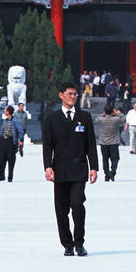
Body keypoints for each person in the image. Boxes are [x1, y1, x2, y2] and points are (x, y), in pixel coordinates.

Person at [41, 82, 99, 256]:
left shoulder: (84, 117)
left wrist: (94, 167)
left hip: (79, 169)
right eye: (70, 94)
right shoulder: (52, 119)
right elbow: (47, 146)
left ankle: (79, 243)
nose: (73, 97)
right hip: (60, 170)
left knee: (77, 204)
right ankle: (67, 244)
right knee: (61, 209)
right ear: (61, 95)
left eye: (75, 94)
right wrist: (48, 166)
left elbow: (91, 144)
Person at [95, 104, 125, 180]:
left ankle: (106, 174)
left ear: (105, 111)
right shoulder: (116, 119)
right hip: (114, 142)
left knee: (105, 159)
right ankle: (112, 172)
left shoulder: (102, 119)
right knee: (115, 159)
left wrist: (104, 113)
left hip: (103, 142)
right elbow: (123, 119)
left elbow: (96, 120)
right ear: (112, 111)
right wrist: (117, 113)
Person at [0, 104, 23, 181]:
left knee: (11, 159)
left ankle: (10, 176)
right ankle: (1, 176)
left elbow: (20, 131)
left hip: (11, 141)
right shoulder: (5, 120)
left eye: (5, 110)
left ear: (8, 111)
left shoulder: (15, 121)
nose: (4, 111)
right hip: (3, 141)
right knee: (1, 159)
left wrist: (20, 140)